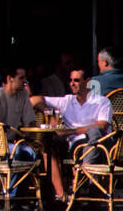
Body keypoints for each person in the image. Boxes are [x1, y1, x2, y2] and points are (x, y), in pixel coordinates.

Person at [31, 67, 112, 200]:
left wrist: (71, 131)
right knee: (47, 147)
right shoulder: (67, 101)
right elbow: (34, 99)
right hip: (74, 144)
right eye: (70, 80)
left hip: (97, 143)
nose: (72, 83)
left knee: (94, 132)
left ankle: (84, 183)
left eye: (76, 80)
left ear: (87, 81)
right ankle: (62, 194)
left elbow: (102, 126)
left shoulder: (102, 101)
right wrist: (49, 113)